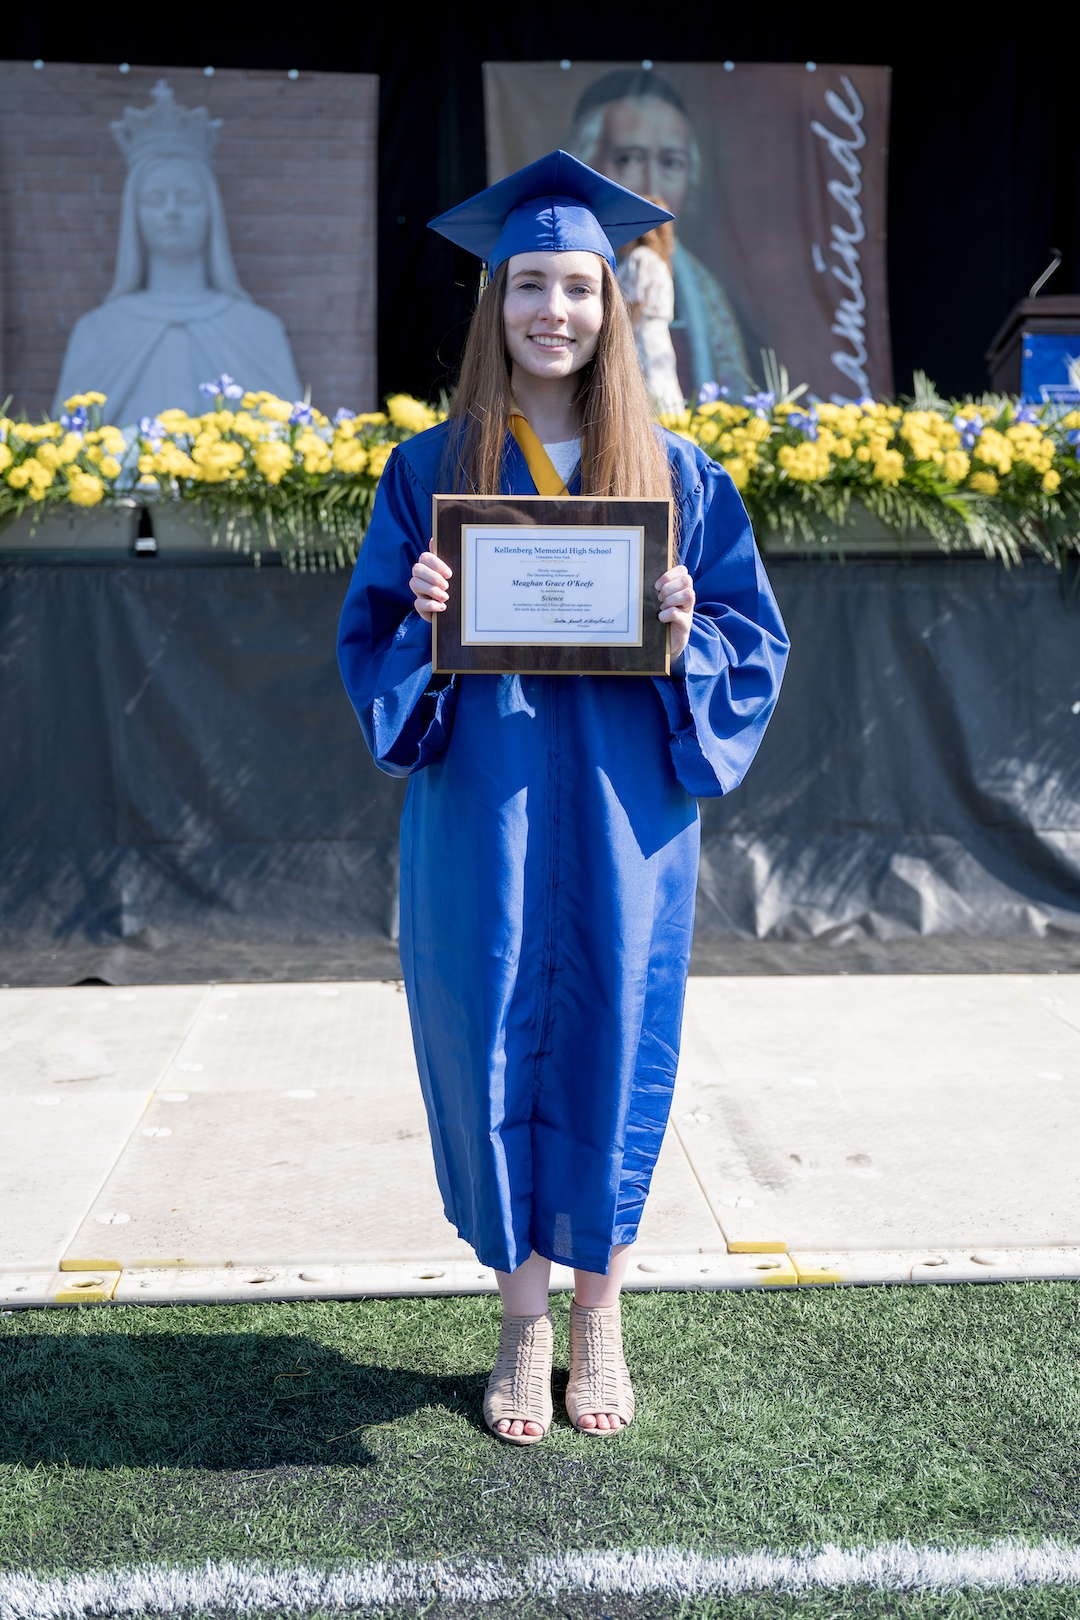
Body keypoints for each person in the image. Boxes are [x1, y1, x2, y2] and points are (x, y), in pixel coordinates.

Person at [337, 151, 788, 1444]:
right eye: (527, 284)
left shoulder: (682, 475)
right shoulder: (430, 470)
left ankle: (602, 1311)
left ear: (614, 300)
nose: (553, 310)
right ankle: (521, 1318)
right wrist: (423, 623)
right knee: (481, 1034)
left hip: (621, 805)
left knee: (612, 1036)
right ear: (496, 305)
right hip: (483, 800)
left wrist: (689, 626)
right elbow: (367, 646)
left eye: (578, 287)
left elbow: (754, 647)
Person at [53, 81, 301, 427]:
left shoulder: (258, 330)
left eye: (187, 197)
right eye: (155, 199)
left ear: (211, 210)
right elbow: (66, 447)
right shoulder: (97, 332)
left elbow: (296, 445)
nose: (171, 212)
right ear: (134, 215)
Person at [569, 69, 751, 402]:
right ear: (588, 164)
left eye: (671, 162)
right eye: (628, 159)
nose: (651, 186)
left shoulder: (705, 291)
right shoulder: (567, 261)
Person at [618, 203, 684, 415]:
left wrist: (621, 339)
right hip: (657, 336)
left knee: (647, 390)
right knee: (662, 390)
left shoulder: (641, 256)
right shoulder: (656, 259)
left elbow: (636, 302)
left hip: (641, 335)